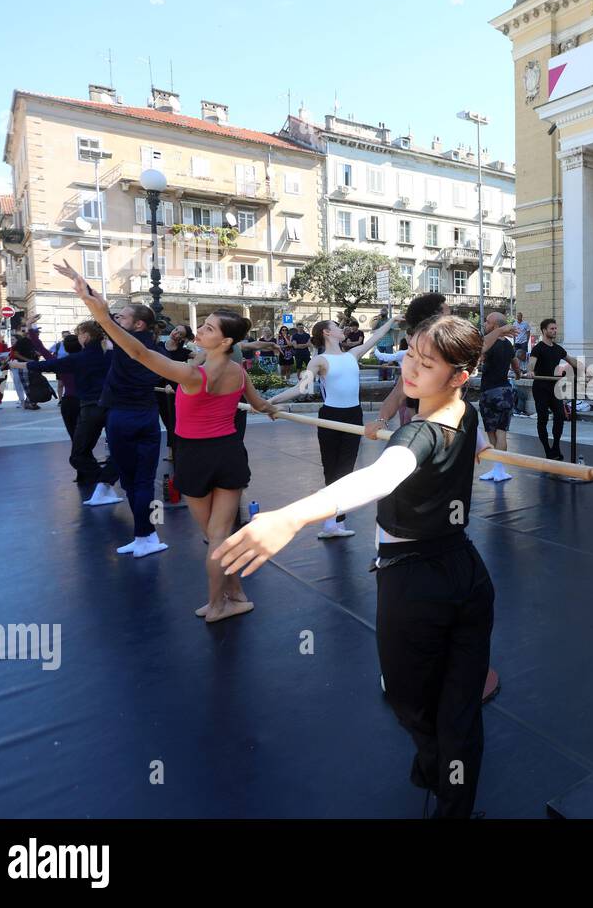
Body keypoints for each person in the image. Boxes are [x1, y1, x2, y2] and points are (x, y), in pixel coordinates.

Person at [214, 315, 496, 817]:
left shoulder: (415, 438)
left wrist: (293, 515)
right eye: (409, 354)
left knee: (410, 699)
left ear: (459, 376)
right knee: (459, 707)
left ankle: (438, 765)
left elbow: (380, 478)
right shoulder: (466, 414)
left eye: (425, 363)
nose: (408, 368)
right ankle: (451, 786)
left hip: (415, 582)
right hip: (466, 571)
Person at [62, 263, 280, 619]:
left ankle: (216, 607)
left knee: (214, 538)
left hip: (195, 455)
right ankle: (236, 594)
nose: (202, 330)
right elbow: (258, 404)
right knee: (219, 535)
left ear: (224, 341)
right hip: (227, 452)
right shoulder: (237, 371)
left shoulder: (193, 375)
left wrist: (101, 314)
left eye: (209, 328)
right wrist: (273, 408)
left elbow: (140, 354)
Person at [55, 262, 169, 556]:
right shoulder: (150, 349)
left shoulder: (130, 345)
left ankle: (149, 533)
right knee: (134, 481)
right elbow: (105, 313)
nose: (117, 320)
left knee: (138, 482)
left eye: (124, 317)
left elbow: (103, 313)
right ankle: (145, 535)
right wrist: (83, 286)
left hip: (129, 417)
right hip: (134, 417)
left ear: (139, 325)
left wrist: (83, 286)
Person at [269, 313, 393, 538]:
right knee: (331, 468)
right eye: (336, 326)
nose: (341, 328)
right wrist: (270, 402)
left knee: (345, 470)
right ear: (327, 332)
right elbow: (301, 389)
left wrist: (393, 321)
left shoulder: (353, 354)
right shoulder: (319, 360)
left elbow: (375, 337)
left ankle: (335, 522)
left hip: (353, 415)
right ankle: (331, 522)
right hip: (330, 416)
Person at [11, 321, 111, 485]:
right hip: (108, 406)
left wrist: (19, 364)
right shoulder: (108, 354)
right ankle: (103, 481)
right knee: (96, 448)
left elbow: (48, 363)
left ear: (85, 335)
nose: (79, 337)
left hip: (87, 407)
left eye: (80, 334)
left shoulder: (78, 359)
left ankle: (104, 482)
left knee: (79, 453)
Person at [365, 293, 449, 439]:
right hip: (435, 430)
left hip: (459, 427)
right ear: (436, 319)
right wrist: (381, 420)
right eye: (449, 314)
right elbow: (398, 394)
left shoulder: (455, 346)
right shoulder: (418, 357)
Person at [526, 318, 580, 460]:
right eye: (552, 329)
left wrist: (586, 370)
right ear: (544, 330)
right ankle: (547, 450)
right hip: (541, 388)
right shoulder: (538, 348)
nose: (555, 331)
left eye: (555, 329)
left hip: (555, 388)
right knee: (542, 419)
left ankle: (556, 446)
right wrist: (531, 371)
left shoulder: (558, 349)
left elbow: (572, 360)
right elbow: (531, 364)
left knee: (560, 416)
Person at [477, 312, 522, 483]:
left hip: (489, 391)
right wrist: (518, 375)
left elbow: (479, 355)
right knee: (501, 431)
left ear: (496, 326)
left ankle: (497, 469)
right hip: (505, 391)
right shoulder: (508, 345)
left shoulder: (489, 343)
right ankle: (499, 469)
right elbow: (515, 363)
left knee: (491, 431)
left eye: (487, 322)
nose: (485, 324)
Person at [158, 325, 195, 467]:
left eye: (180, 333)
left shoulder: (184, 352)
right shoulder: (159, 345)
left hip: (173, 390)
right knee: (164, 419)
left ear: (183, 338)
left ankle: (174, 452)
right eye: (175, 330)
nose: (176, 333)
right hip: (158, 389)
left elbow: (203, 359)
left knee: (172, 421)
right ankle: (172, 451)